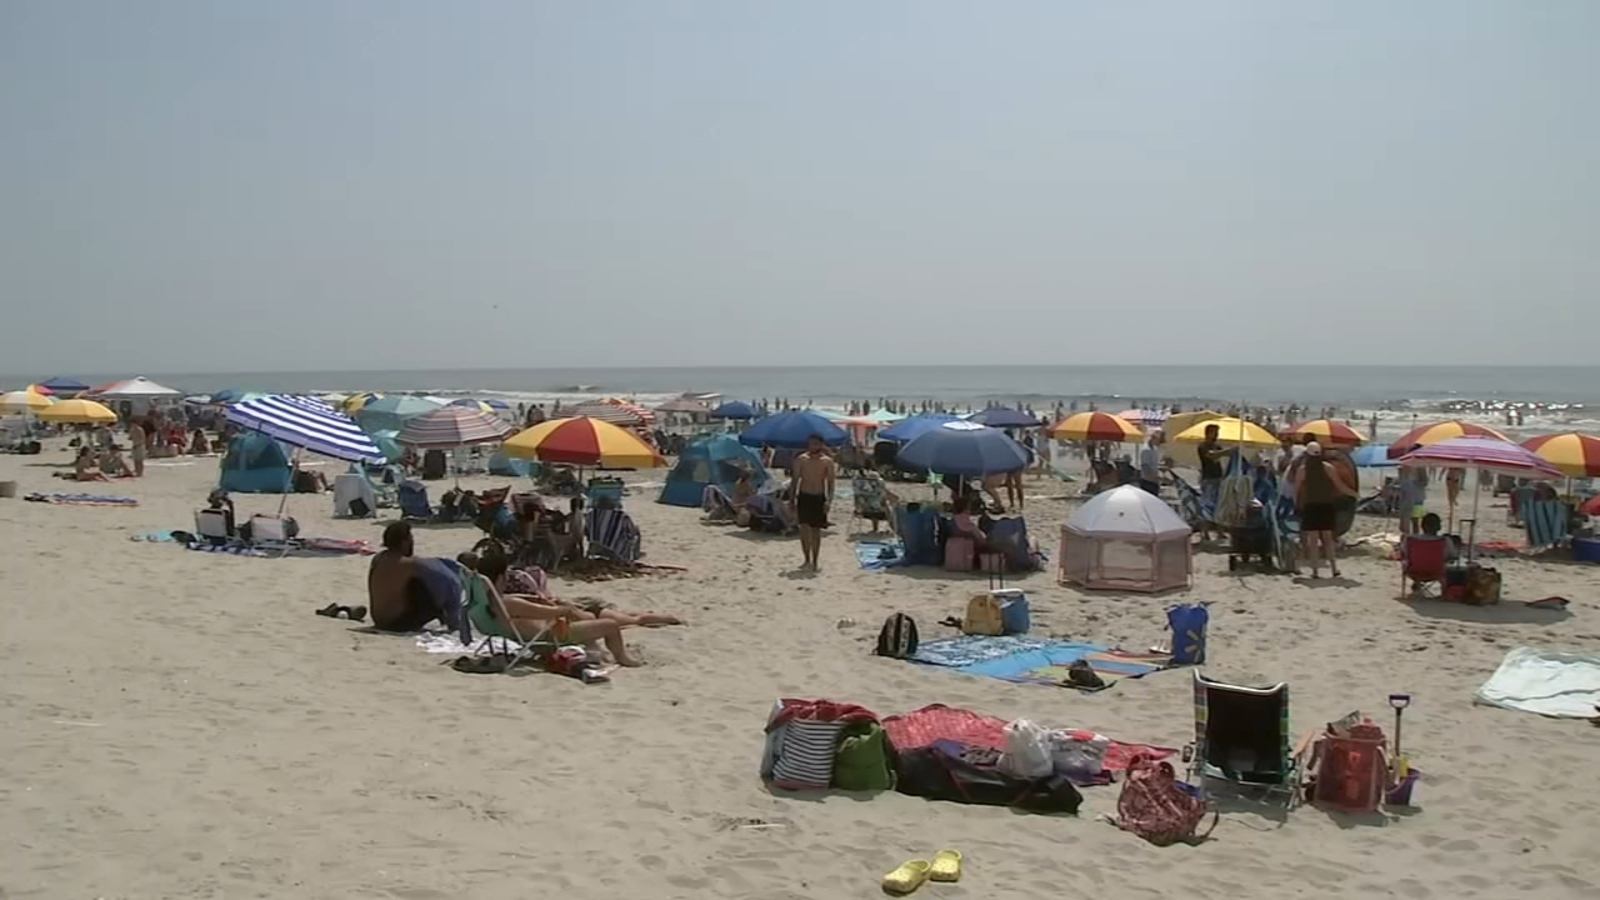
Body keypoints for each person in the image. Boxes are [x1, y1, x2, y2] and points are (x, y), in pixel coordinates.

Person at [368, 522, 462, 633]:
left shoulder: (378, 558)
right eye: (411, 539)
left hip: (379, 620)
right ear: (405, 541)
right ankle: (454, 624)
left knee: (419, 582)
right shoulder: (410, 564)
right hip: (396, 623)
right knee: (425, 586)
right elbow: (449, 580)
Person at [1295, 442, 1357, 578]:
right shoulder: (1328, 468)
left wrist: (1296, 504)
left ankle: (1315, 571)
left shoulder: (1302, 470)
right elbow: (1339, 485)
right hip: (1326, 505)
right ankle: (1334, 569)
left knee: (1313, 539)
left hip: (1310, 505)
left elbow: (1297, 490)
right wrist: (1353, 493)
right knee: (1328, 539)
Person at [789, 433, 836, 571]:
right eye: (810, 443)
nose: (812, 446)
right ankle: (806, 559)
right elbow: (795, 480)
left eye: (815, 443)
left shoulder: (827, 461)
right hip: (804, 496)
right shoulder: (801, 459)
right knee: (804, 529)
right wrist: (792, 499)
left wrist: (829, 501)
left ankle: (815, 560)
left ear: (821, 444)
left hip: (819, 497)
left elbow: (831, 483)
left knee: (816, 530)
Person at [1195, 424, 1228, 540]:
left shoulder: (1217, 446)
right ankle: (1204, 532)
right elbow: (1211, 456)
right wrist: (1227, 452)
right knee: (1206, 505)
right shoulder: (1203, 446)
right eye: (1214, 433)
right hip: (1208, 479)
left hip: (1218, 478)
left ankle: (1220, 531)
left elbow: (1220, 457)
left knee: (1219, 505)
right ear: (1208, 433)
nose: (1216, 436)